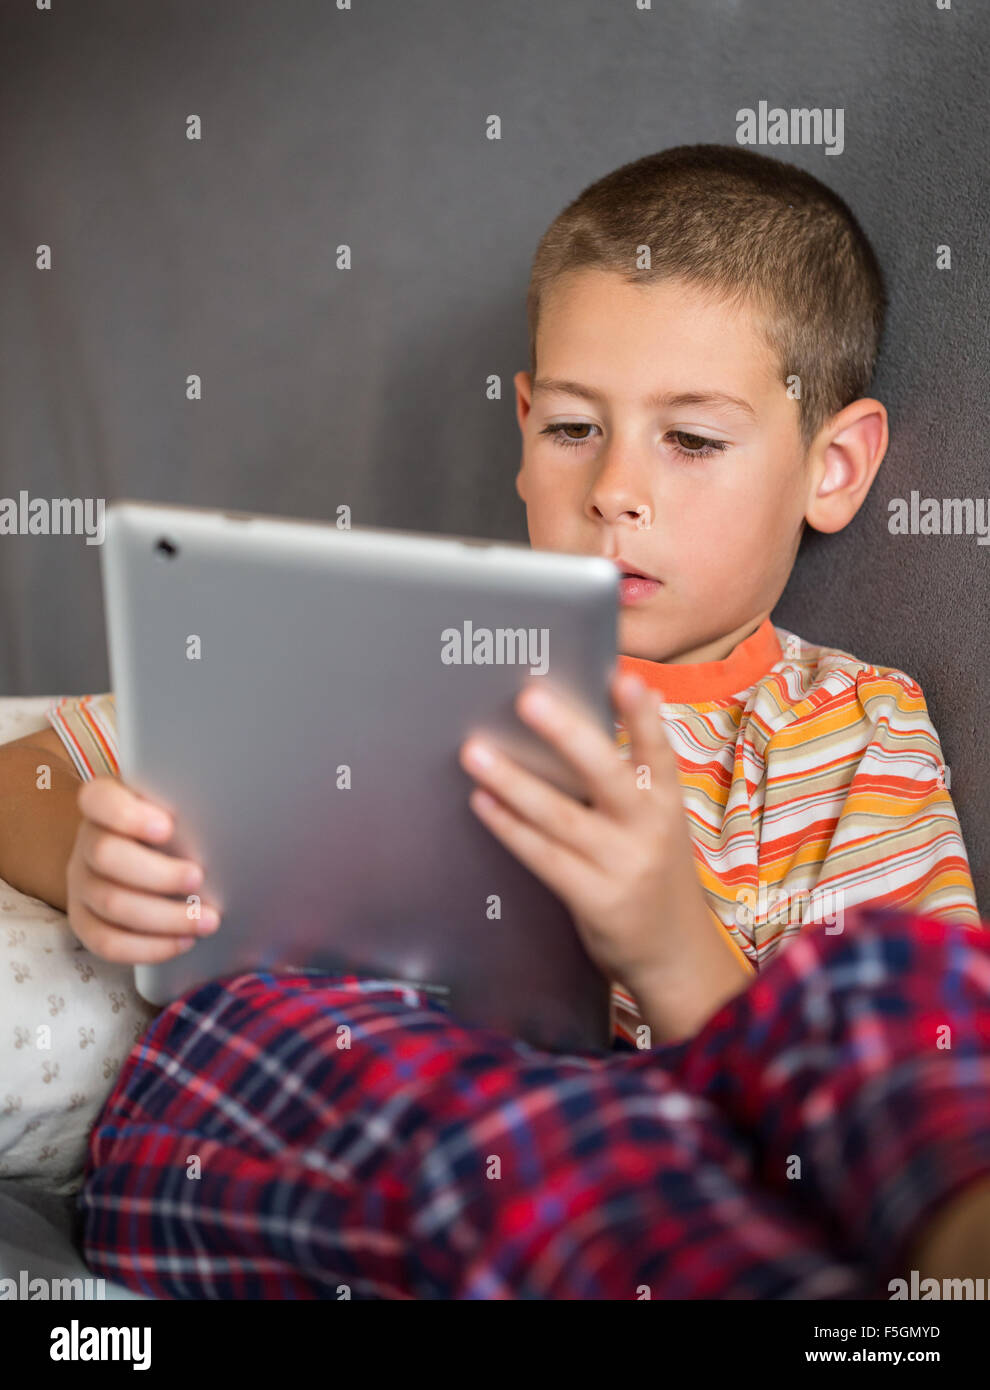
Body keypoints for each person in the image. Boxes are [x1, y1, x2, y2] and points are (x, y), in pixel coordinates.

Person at [0, 144, 984, 1297]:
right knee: (289, 1026)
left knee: (890, 997)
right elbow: (37, 770)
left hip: (651, 1144)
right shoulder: (381, 637)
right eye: (574, 428)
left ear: (836, 466)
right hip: (325, 1097)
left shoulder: (857, 728)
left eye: (693, 440)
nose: (617, 487)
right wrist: (93, 853)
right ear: (522, 429)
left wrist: (669, 945)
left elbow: (910, 1076)